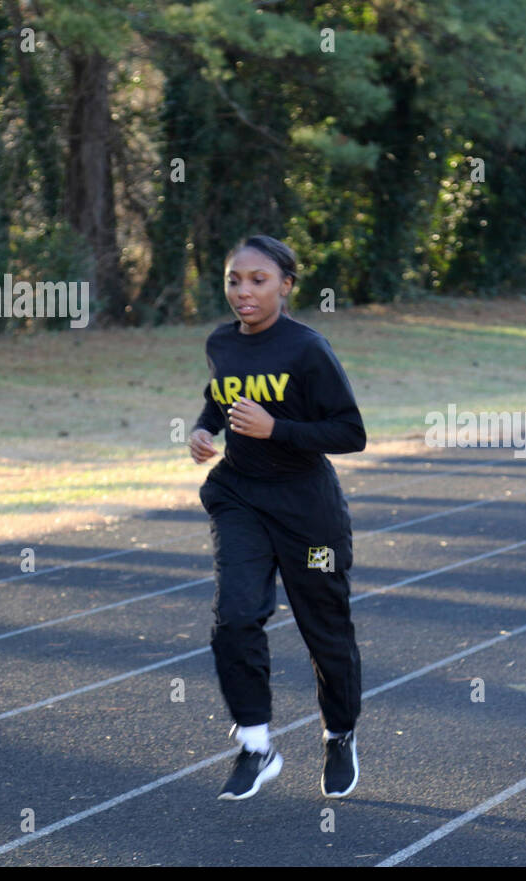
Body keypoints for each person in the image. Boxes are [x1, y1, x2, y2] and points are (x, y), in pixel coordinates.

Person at [189, 235, 367, 800]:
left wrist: (277, 430)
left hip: (308, 512)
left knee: (325, 630)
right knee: (235, 619)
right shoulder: (220, 342)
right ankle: (256, 744)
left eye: (257, 280)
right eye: (233, 279)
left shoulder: (307, 348)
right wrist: (204, 428)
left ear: (286, 286)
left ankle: (339, 734)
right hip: (241, 498)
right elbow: (221, 395)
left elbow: (350, 433)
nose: (243, 291)